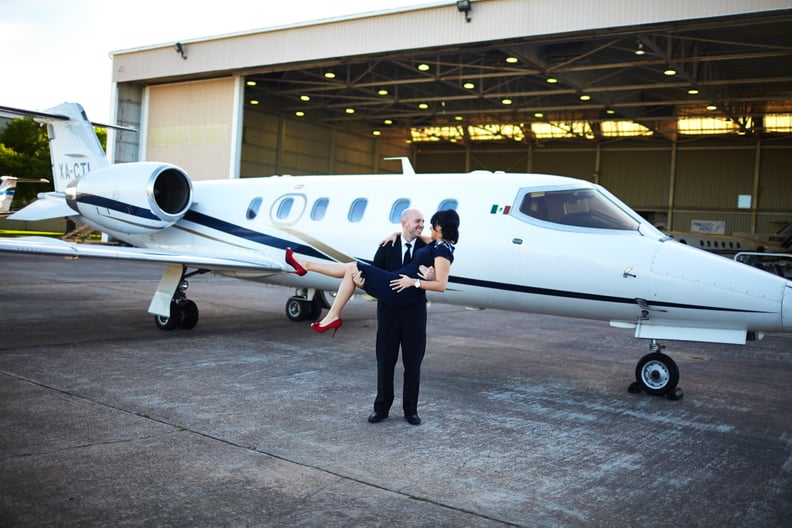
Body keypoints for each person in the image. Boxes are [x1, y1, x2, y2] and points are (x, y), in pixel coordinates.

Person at [284, 208, 459, 343]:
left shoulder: (443, 248)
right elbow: (413, 236)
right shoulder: (436, 243)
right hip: (397, 279)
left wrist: (415, 282)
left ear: (440, 226)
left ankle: (331, 312)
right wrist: (397, 233)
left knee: (353, 267)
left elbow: (441, 285)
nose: (427, 226)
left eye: (431, 224)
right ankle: (308, 269)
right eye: (420, 221)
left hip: (399, 284)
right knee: (351, 269)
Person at [367, 208, 430, 426]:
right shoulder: (387, 246)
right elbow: (373, 278)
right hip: (388, 315)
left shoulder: (427, 248)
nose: (422, 224)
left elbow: (438, 277)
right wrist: (385, 294)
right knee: (385, 362)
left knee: (413, 364)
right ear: (404, 222)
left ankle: (410, 410)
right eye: (418, 221)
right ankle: (381, 408)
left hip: (415, 315)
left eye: (423, 221)